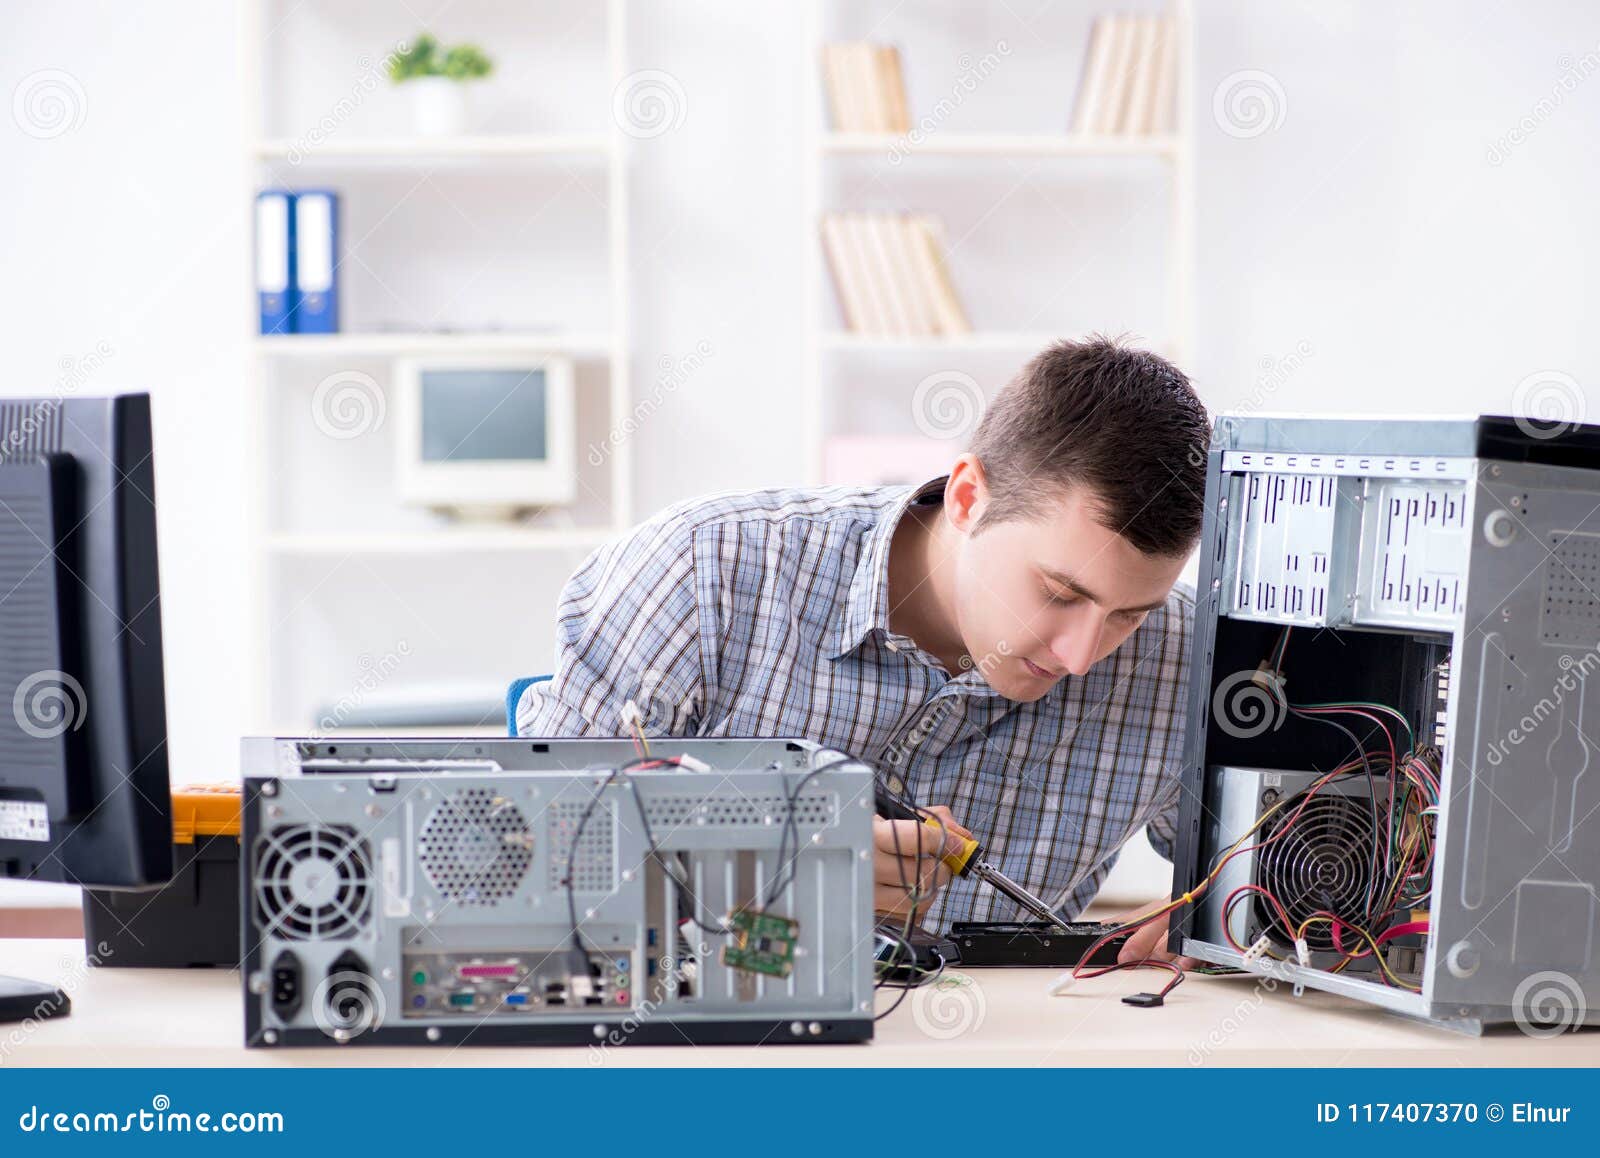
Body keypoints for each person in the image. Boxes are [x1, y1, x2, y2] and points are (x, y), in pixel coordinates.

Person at [517, 335, 1209, 966]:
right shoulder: (703, 571)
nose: (1082, 656)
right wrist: (765, 869)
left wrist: (1213, 923)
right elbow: (532, 861)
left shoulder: (1188, 661)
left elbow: (1278, 887)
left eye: (1129, 614)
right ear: (968, 498)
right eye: (1059, 593)